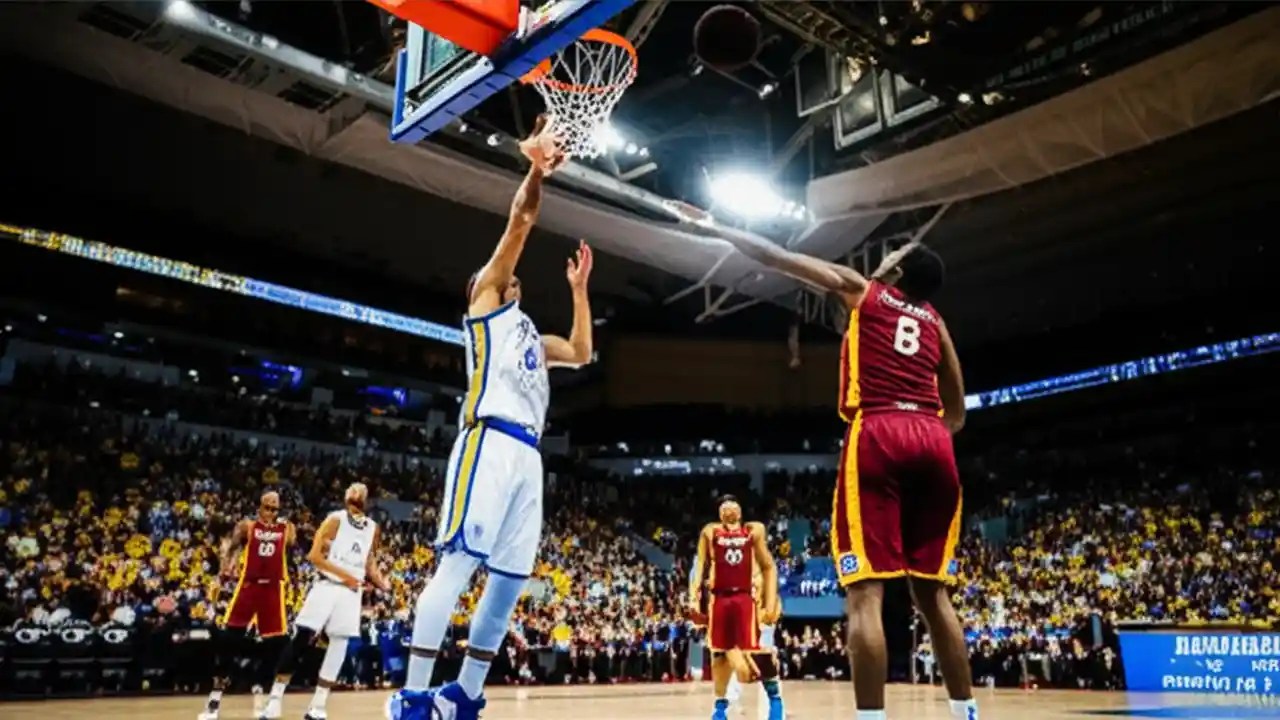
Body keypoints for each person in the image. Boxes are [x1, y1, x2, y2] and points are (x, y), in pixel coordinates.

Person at [681, 225, 975, 720]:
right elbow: (959, 410)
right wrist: (926, 432)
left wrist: (714, 227)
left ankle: (870, 718)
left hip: (880, 428)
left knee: (865, 593)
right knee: (933, 595)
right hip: (934, 438)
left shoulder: (865, 290)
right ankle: (966, 713)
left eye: (894, 253)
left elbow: (777, 255)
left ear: (897, 271)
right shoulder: (935, 320)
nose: (885, 257)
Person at [386, 116, 594, 720]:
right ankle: (415, 695)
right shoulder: (485, 307)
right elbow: (521, 221)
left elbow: (581, 352)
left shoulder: (530, 332)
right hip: (489, 441)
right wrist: (535, 166)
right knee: (458, 564)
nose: (493, 275)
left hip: (529, 455)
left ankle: (465, 697)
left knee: (506, 582)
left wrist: (580, 291)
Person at [259, 482, 389, 720]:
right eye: (352, 488)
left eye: (362, 489)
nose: (357, 490)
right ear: (346, 496)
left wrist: (383, 584)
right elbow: (314, 556)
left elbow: (369, 562)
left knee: (339, 645)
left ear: (367, 499)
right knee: (301, 637)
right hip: (327, 585)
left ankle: (318, 706)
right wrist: (346, 576)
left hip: (351, 593)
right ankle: (274, 700)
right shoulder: (335, 519)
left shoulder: (373, 527)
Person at [200, 491, 297, 720]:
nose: (271, 512)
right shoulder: (248, 526)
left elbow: (291, 541)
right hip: (249, 586)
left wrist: (286, 523)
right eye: (268, 507)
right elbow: (232, 546)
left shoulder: (286, 527)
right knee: (229, 640)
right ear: (259, 507)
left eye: (275, 509)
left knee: (276, 645)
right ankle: (214, 699)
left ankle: (266, 694)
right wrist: (226, 563)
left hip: (273, 589)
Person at [689, 496, 783, 720]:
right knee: (720, 653)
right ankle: (720, 707)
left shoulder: (754, 531)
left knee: (755, 651)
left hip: (747, 599)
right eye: (724, 506)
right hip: (720, 599)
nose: (729, 508)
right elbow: (700, 565)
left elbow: (769, 566)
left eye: (733, 505)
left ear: (741, 511)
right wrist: (693, 598)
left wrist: (770, 601)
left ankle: (775, 700)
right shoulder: (710, 532)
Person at [726, 566, 783, 719]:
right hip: (754, 632)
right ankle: (731, 703)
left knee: (765, 675)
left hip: (759, 632)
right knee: (762, 673)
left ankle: (731, 702)